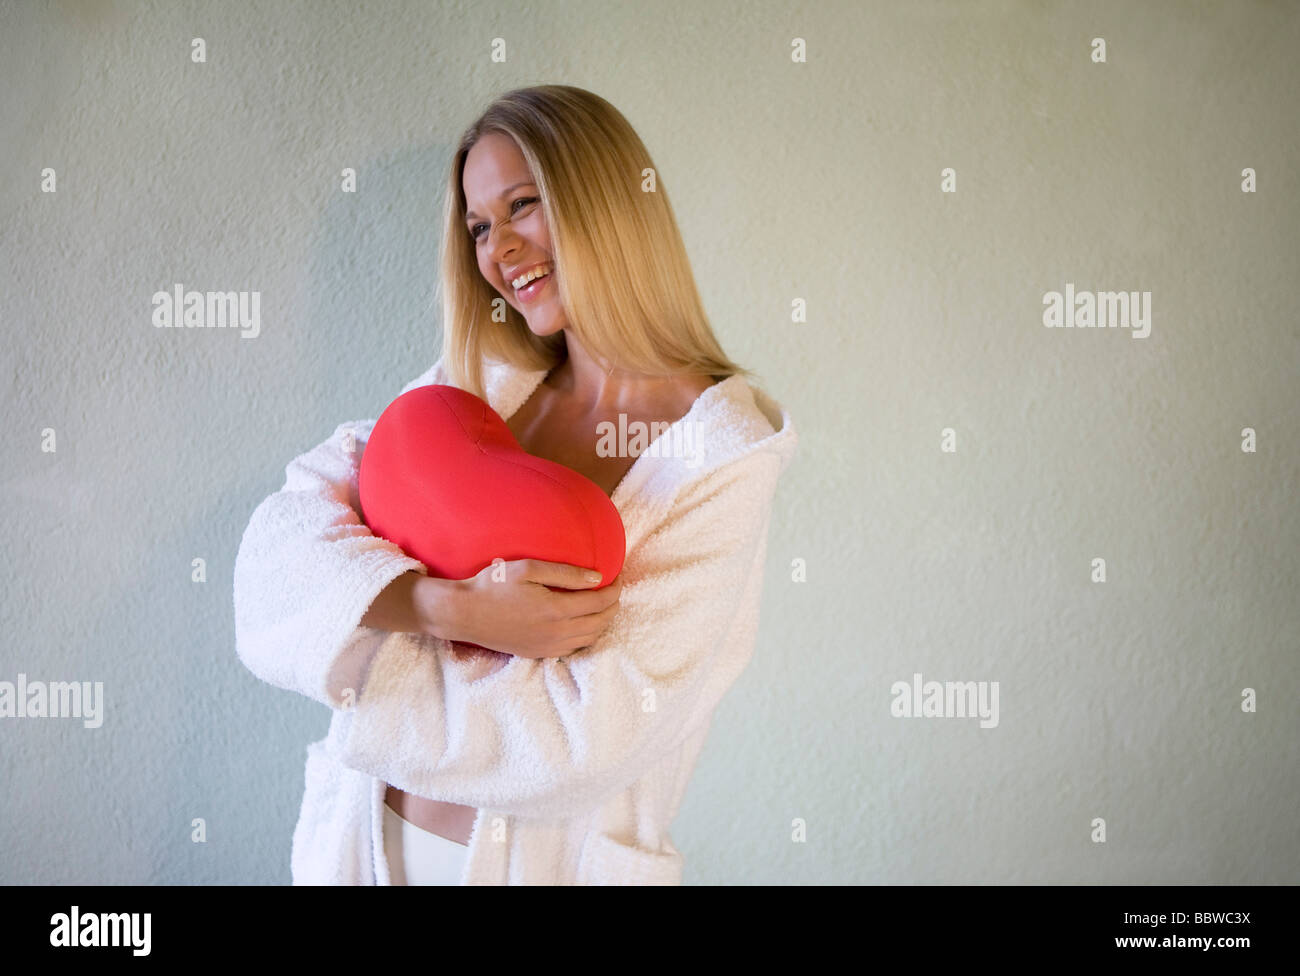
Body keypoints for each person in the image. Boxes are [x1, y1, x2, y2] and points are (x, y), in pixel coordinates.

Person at [233, 84, 798, 884]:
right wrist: (448, 608)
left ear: (604, 201)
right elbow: (273, 565)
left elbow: (582, 742)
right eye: (478, 227)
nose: (499, 250)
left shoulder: (720, 460)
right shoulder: (471, 395)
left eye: (522, 206)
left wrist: (358, 665)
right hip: (359, 853)